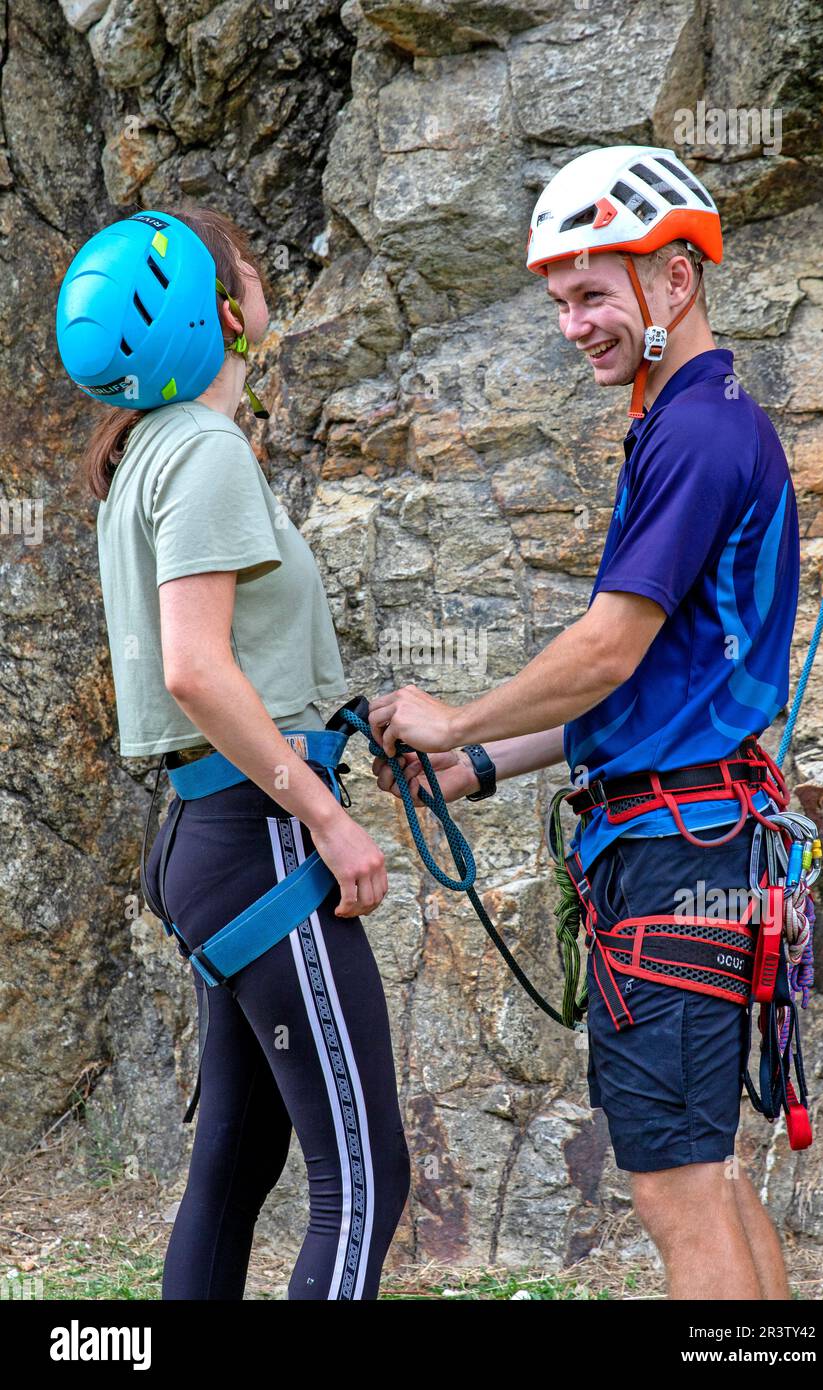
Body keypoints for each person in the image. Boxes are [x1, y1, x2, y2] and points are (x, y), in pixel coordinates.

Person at [368, 146, 799, 1300]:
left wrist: (453, 712)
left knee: (671, 1184)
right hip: (701, 834)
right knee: (704, 1172)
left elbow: (603, 649)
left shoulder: (696, 435)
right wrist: (481, 762)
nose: (572, 325)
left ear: (672, 279)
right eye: (559, 302)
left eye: (592, 293)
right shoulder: (690, 421)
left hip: (676, 853)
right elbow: (648, 682)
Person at [56, 206, 410, 1300]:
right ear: (220, 315)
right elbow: (197, 670)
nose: (265, 290)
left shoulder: (152, 452)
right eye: (251, 275)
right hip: (257, 841)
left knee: (236, 1164)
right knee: (363, 1181)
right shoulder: (203, 450)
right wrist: (326, 812)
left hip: (210, 841)